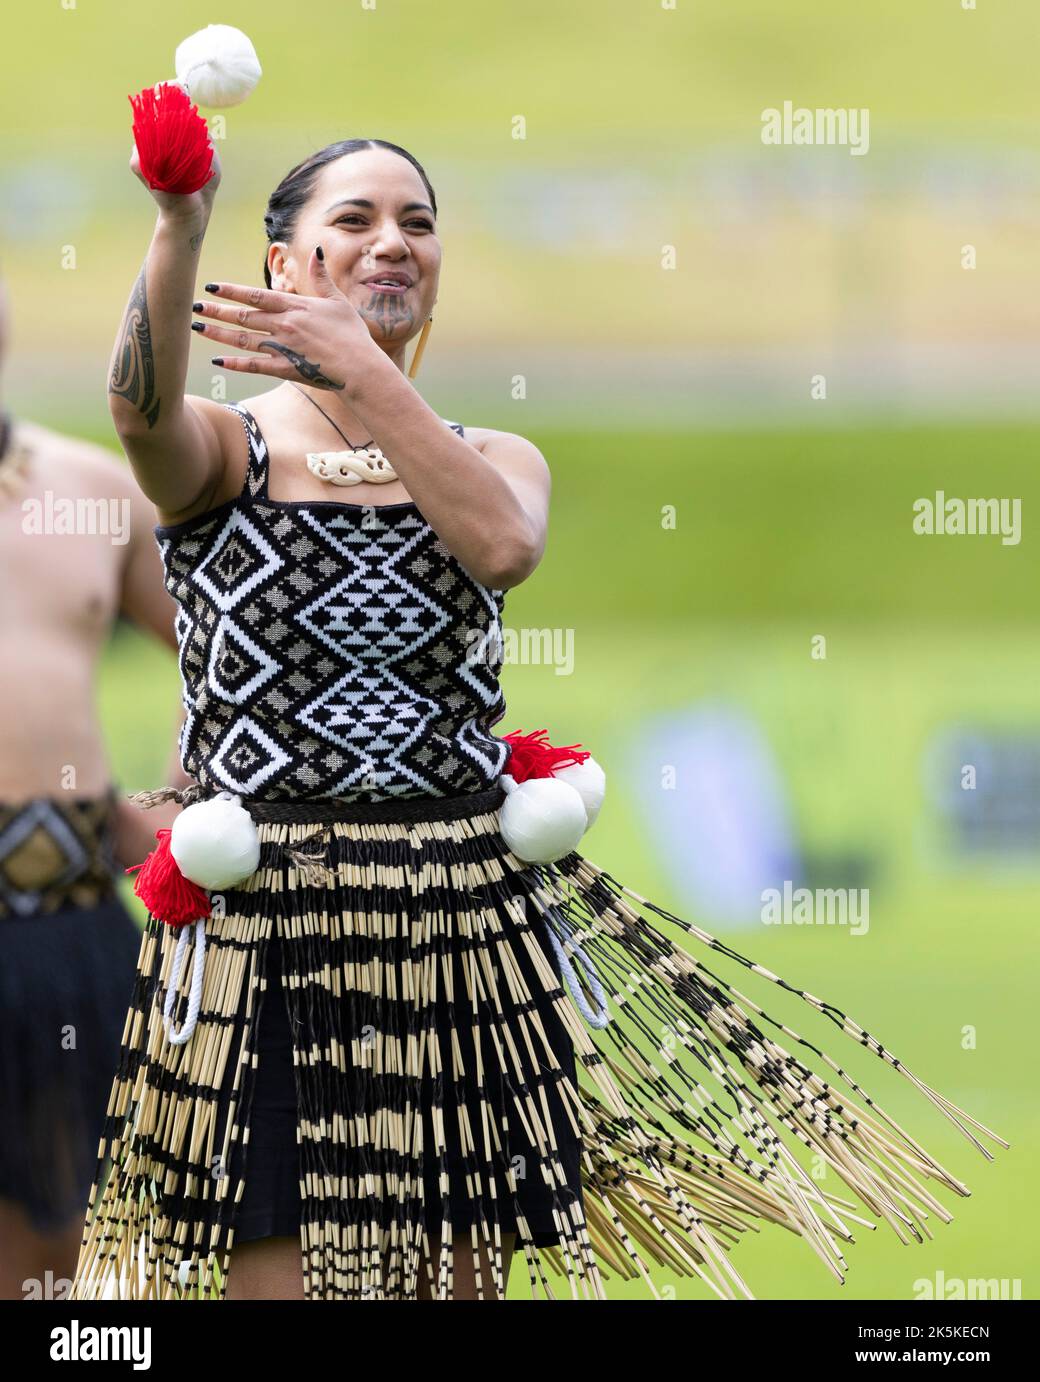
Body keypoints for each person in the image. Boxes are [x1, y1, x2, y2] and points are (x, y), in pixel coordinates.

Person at [68, 138, 1007, 1303]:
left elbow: (500, 547)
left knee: (459, 1286)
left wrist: (368, 376)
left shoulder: (493, 456)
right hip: (271, 923)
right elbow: (136, 406)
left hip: (460, 920)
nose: (392, 241)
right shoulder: (230, 453)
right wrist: (177, 223)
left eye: (417, 220)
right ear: (285, 263)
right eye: (354, 219)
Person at [0, 271, 190, 1299]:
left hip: (74, 934)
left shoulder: (93, 489)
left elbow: (224, 652)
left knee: (92, 1257)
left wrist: (171, 812)